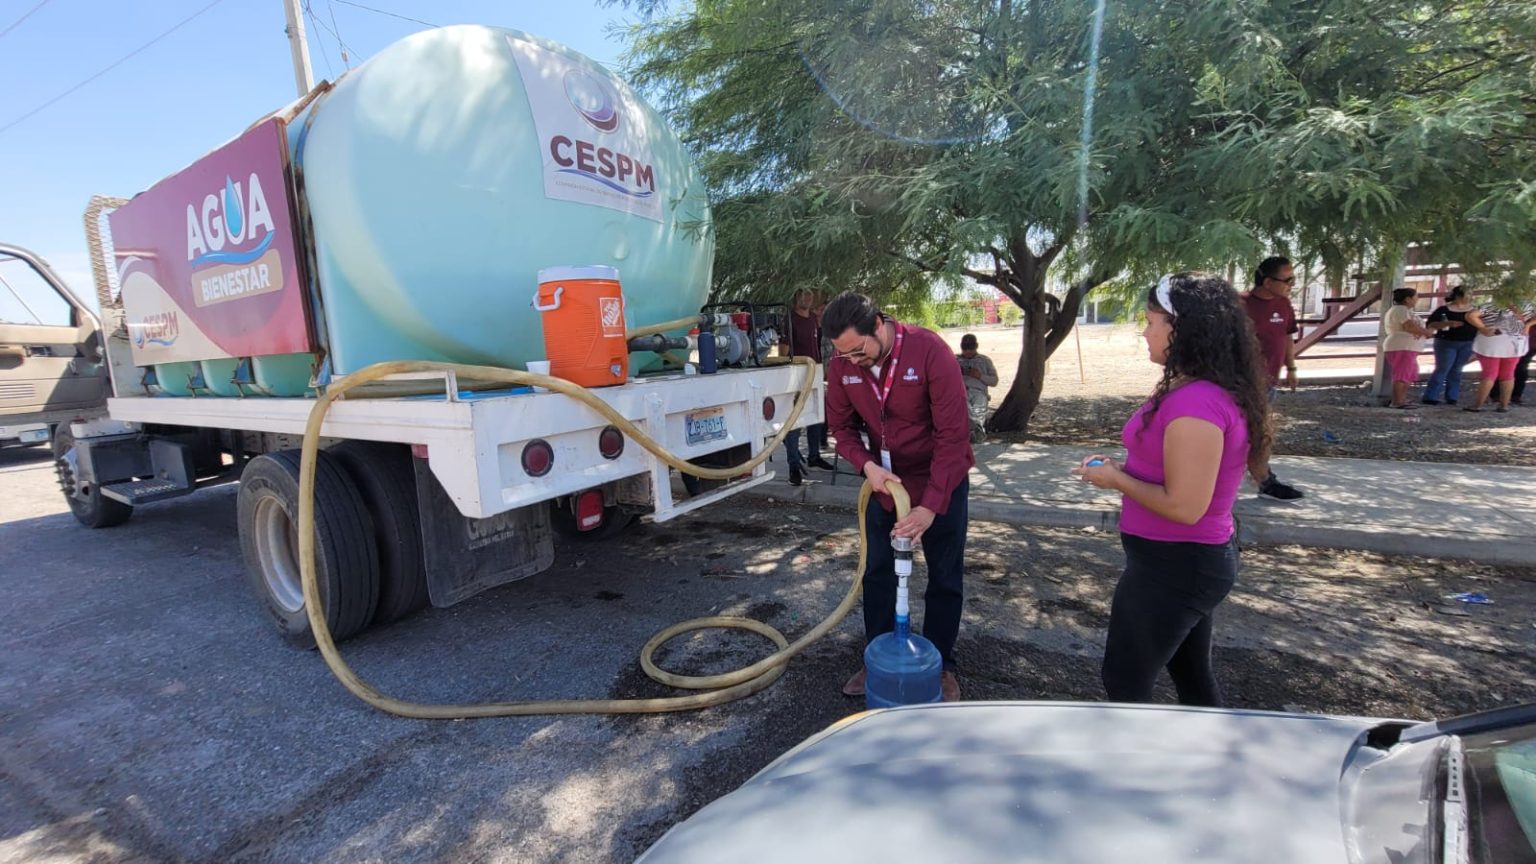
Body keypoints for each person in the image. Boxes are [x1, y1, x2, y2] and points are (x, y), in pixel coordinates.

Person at [1074, 272, 1269, 707]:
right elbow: (1173, 473)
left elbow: (1185, 506)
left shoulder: (1196, 404)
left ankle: (1144, 767)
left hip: (1177, 563)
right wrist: (1124, 469)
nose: (1145, 333)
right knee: (1192, 678)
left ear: (1183, 328)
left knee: (1124, 679)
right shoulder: (1194, 390)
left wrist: (1117, 479)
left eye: (1151, 321)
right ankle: (1210, 761)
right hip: (1176, 560)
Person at [823, 292, 973, 702]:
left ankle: (940, 665)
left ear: (879, 326)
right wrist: (867, 467)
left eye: (858, 351)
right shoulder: (842, 365)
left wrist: (929, 507)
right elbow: (841, 427)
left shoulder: (929, 352)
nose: (851, 361)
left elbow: (953, 436)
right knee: (879, 572)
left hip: (939, 481)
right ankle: (878, 657)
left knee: (944, 575)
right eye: (843, 355)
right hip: (885, 485)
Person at [1241, 256, 1305, 502]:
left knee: (1261, 431)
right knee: (1254, 433)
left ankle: (1259, 476)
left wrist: (1291, 368)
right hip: (1242, 383)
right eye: (1287, 279)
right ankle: (1264, 480)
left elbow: (1288, 337)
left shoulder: (1284, 304)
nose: (1291, 284)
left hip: (1270, 382)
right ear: (1267, 281)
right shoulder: (1240, 304)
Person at [782, 289, 834, 486]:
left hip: (815, 372)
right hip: (797, 376)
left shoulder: (813, 318)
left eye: (811, 293)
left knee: (816, 417)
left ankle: (814, 455)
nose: (808, 297)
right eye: (804, 293)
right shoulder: (789, 319)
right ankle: (793, 465)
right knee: (794, 421)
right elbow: (784, 350)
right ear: (796, 296)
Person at [1466, 301, 1532, 413]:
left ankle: (1478, 405)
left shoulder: (1492, 304)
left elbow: (1470, 315)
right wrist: (1528, 325)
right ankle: (1504, 405)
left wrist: (1482, 328)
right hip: (1515, 342)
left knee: (1489, 374)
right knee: (1508, 374)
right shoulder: (1527, 305)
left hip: (1491, 341)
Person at [1423, 285, 1478, 405]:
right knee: (1443, 368)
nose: (1471, 296)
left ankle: (1452, 396)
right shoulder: (1443, 309)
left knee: (1457, 370)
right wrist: (1447, 323)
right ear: (1458, 296)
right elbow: (1431, 324)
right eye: (1468, 293)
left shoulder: (1474, 310)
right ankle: (1431, 396)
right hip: (1446, 342)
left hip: (1467, 343)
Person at [1381, 288, 1433, 409]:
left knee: (1410, 373)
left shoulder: (1407, 311)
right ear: (1408, 299)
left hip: (1408, 347)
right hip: (1401, 346)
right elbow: (1409, 327)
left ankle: (1402, 399)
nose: (1417, 300)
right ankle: (1397, 401)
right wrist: (1427, 332)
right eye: (1415, 297)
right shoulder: (1400, 310)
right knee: (1402, 374)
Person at [955, 334, 998, 443]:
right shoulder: (954, 360)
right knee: (964, 407)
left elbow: (994, 381)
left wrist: (980, 376)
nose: (968, 351)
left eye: (971, 348)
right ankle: (978, 432)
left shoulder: (985, 360)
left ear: (976, 346)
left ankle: (976, 432)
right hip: (960, 391)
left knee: (978, 410)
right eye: (965, 348)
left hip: (979, 392)